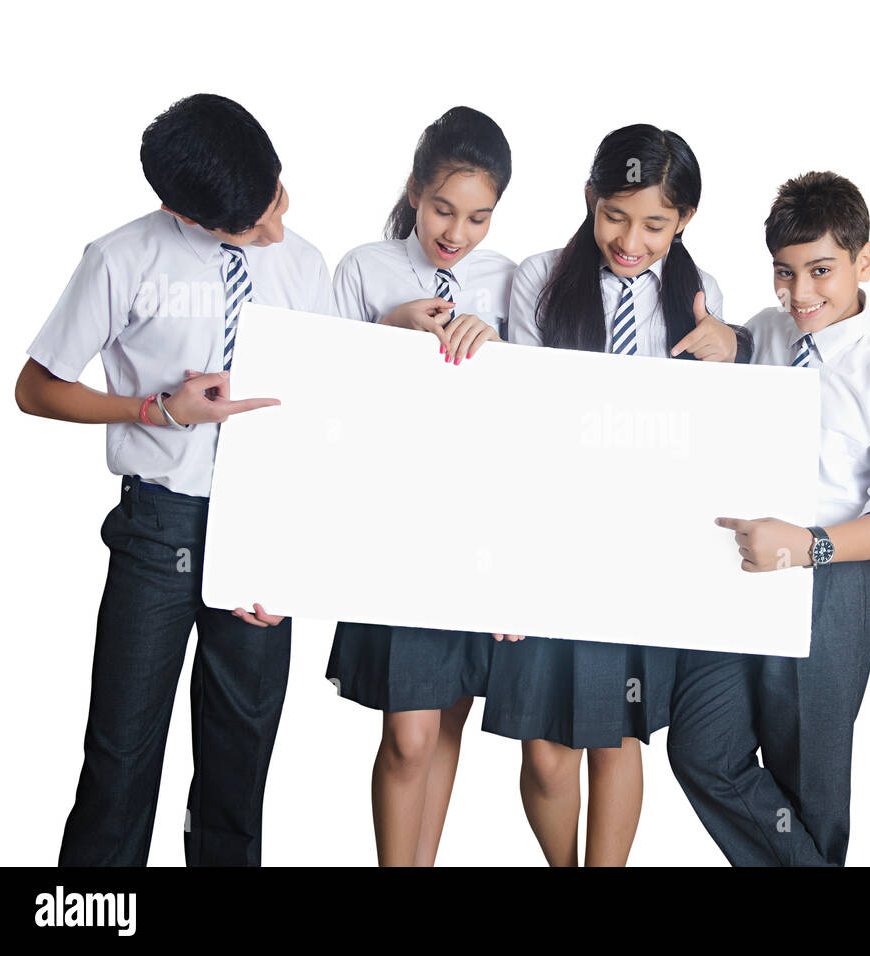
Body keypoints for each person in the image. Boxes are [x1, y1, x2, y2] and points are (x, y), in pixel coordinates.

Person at [16, 93, 332, 866]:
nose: (275, 229)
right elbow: (36, 388)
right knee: (121, 759)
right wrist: (157, 410)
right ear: (179, 210)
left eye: (277, 198)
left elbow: (327, 409)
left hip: (263, 527)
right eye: (249, 225)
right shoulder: (122, 259)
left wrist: (291, 553)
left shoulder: (302, 262)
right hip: (160, 530)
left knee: (238, 765)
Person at [482, 123, 751, 866]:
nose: (630, 239)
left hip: (644, 542)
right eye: (614, 215)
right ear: (589, 200)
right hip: (554, 530)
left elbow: (709, 434)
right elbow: (522, 414)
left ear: (685, 220)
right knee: (546, 752)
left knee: (618, 735)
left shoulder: (701, 298)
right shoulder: (539, 276)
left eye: (655, 224)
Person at [668, 170, 870, 866]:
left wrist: (807, 547)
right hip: (740, 574)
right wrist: (724, 339)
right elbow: (734, 358)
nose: (801, 293)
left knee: (808, 787)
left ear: (863, 262)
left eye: (820, 271)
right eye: (784, 274)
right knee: (702, 748)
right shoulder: (769, 330)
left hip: (829, 584)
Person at [325, 106, 521, 866]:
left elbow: (531, 406)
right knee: (408, 736)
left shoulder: (508, 278)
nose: (457, 232)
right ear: (414, 190)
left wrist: (501, 347)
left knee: (446, 724)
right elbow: (323, 399)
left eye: (478, 216)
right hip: (395, 519)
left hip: (475, 522)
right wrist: (390, 331)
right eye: (443, 208)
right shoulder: (364, 269)